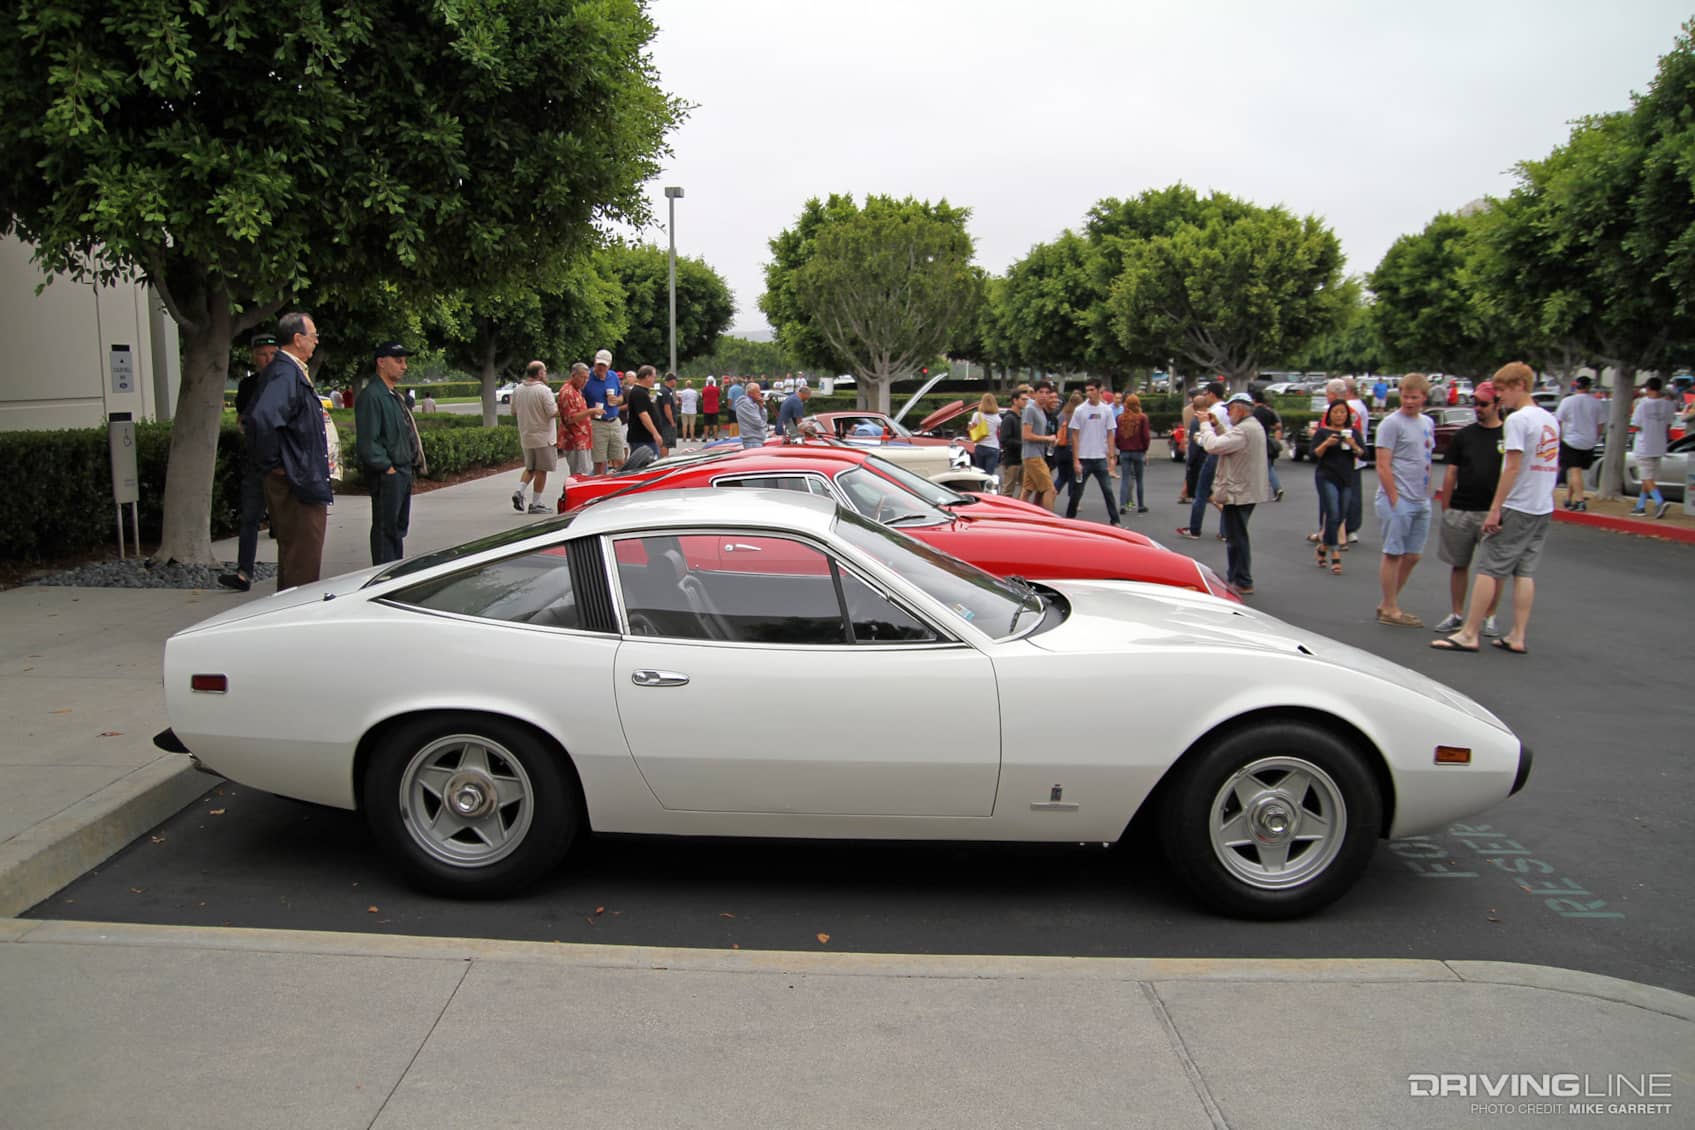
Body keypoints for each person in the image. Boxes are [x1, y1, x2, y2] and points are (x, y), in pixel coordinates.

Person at [1433, 362, 1561, 656]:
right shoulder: (1549, 419)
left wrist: (1495, 509)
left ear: (1519, 385)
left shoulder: (1518, 420)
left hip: (1518, 504)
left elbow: (1512, 466)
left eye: (1502, 390)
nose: (1499, 396)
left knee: (1489, 568)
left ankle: (1469, 633)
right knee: (1524, 571)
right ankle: (1517, 634)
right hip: (1541, 506)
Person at [247, 311, 330, 590]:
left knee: (298, 557)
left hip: (299, 477)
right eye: (313, 335)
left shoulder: (289, 371)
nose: (316, 341)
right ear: (297, 339)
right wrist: (279, 467)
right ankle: (297, 624)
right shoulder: (285, 372)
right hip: (297, 482)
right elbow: (262, 418)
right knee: (302, 561)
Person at [1430, 381, 1504, 636]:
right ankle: (1457, 613)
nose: (1478, 408)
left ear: (1497, 404)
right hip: (1462, 508)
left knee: (1494, 568)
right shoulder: (1464, 436)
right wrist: (1447, 506)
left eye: (1483, 404)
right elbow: (1451, 472)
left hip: (1492, 511)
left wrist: (1502, 509)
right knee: (1458, 563)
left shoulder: (1507, 436)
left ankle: (1490, 616)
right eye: (1475, 403)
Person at [218, 331, 281, 592]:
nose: (267, 359)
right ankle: (244, 572)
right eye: (262, 355)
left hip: (282, 463)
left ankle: (294, 577)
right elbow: (242, 421)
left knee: (287, 523)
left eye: (272, 355)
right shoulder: (247, 386)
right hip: (256, 461)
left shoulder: (286, 382)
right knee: (250, 518)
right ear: (254, 358)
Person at [354, 341, 426, 565]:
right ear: (381, 363)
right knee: (386, 530)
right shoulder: (372, 396)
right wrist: (388, 468)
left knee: (397, 529)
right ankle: (384, 576)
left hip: (402, 471)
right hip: (388, 474)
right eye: (398, 360)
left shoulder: (392, 395)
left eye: (404, 361)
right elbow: (369, 442)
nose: (403, 366)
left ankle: (394, 571)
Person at [1373, 372, 1435, 627]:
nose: (1409, 401)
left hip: (1421, 498)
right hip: (1398, 497)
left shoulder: (1427, 422)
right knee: (1393, 553)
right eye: (1406, 396)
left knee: (1413, 555)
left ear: (1423, 397)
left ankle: (1388, 602)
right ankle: (1390, 608)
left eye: (1415, 397)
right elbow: (1383, 465)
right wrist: (1394, 498)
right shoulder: (1391, 424)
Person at [1195, 393, 1270, 597]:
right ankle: (1238, 577)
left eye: (1230, 410)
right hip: (1245, 488)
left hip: (1239, 490)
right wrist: (1217, 426)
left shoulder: (1245, 429)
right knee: (1236, 535)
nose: (1228, 413)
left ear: (1239, 409)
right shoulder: (1250, 426)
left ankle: (1242, 579)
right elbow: (1228, 440)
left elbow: (1213, 446)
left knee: (1237, 537)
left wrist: (1205, 426)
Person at [1309, 400, 1363, 574]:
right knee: (1332, 513)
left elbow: (1364, 454)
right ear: (1329, 415)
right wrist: (1327, 444)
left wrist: (1353, 444)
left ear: (1347, 415)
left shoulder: (1353, 432)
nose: (1339, 415)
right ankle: (1336, 554)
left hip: (1346, 477)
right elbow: (1313, 454)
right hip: (1326, 476)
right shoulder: (1322, 432)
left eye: (1342, 412)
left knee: (1341, 515)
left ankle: (1323, 547)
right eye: (1335, 412)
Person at [1177, 381, 1229, 540]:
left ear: (1212, 394)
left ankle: (1194, 529)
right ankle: (1225, 531)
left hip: (1212, 453)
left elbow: (1206, 437)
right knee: (1221, 491)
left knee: (1201, 492)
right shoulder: (1227, 410)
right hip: (1226, 451)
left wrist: (1198, 441)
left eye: (1206, 393)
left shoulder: (1212, 412)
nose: (1205, 397)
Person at [510, 361, 560, 514]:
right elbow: (552, 412)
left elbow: (513, 411)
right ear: (539, 373)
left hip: (526, 435)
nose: (546, 373)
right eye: (544, 371)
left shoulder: (518, 390)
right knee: (542, 470)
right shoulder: (544, 391)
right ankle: (536, 503)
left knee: (530, 467)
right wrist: (562, 407)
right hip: (543, 437)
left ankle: (519, 491)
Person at [1065, 380, 1118, 522]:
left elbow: (1110, 433)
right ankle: (1069, 519)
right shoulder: (1080, 410)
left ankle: (1115, 521)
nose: (1089, 393)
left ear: (1099, 390)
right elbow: (1075, 435)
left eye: (1092, 390)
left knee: (1108, 490)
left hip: (1100, 457)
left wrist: (1111, 457)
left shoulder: (1106, 410)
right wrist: (1076, 460)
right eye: (1087, 390)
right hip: (1084, 457)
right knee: (1077, 492)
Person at [1554, 375, 1606, 511]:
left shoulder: (1568, 401)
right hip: (1588, 441)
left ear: (1575, 386)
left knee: (1574, 471)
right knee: (1576, 471)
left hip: (1571, 440)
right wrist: (1595, 437)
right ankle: (1569, 498)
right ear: (1589, 387)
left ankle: (1580, 500)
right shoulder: (1596, 402)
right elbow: (1600, 425)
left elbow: (1558, 420)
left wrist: (1558, 437)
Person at [1630, 376, 1678, 518]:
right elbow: (1668, 425)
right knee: (1649, 477)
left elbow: (1636, 426)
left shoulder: (1642, 405)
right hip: (1659, 444)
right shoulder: (1668, 405)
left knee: (1645, 477)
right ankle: (1641, 505)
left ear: (1648, 388)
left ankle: (1659, 501)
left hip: (1644, 444)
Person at [1021, 381, 1060, 510]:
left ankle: (1020, 517)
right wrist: (1047, 438)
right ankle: (1050, 522)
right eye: (1041, 392)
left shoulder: (1040, 409)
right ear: (1035, 393)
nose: (1044, 395)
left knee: (1027, 490)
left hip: (1037, 454)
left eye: (1047, 393)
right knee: (1050, 490)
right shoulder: (1030, 409)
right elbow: (1026, 435)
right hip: (1033, 456)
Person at [556, 361, 599, 478]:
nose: (585, 381)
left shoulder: (577, 390)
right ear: (573, 375)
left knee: (585, 473)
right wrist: (590, 411)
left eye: (587, 378)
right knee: (580, 476)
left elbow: (579, 413)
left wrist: (590, 414)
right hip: (575, 441)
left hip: (583, 439)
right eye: (582, 377)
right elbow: (570, 418)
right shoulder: (568, 392)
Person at [1344, 377, 1372, 545]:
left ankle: (1348, 527)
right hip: (1357, 456)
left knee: (1349, 494)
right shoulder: (1361, 406)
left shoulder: (1351, 408)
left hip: (1350, 456)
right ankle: (1351, 527)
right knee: (1354, 494)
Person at [1114, 392, 1151, 515]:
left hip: (1124, 451)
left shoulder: (1120, 418)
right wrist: (1145, 449)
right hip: (1138, 451)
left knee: (1125, 478)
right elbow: (1146, 436)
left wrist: (1120, 447)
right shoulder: (1142, 418)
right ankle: (1140, 505)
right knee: (1139, 479)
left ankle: (1123, 504)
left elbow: (1117, 436)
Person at [1250, 386, 1284, 502]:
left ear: (1254, 400)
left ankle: (1254, 490)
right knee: (1268, 467)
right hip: (1265, 441)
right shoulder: (1268, 412)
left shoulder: (1252, 413)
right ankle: (1277, 487)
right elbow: (1278, 426)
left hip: (1253, 442)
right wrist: (1270, 426)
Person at [1051, 390, 1084, 509]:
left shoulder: (1061, 414)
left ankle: (1051, 497)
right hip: (1071, 448)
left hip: (1060, 449)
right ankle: (1074, 503)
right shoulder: (1078, 415)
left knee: (1061, 476)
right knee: (1072, 477)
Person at [626, 365, 666, 458]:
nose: (654, 379)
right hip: (642, 438)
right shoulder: (638, 393)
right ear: (647, 376)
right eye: (654, 376)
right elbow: (643, 414)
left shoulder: (643, 392)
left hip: (646, 438)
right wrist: (655, 433)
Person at [998, 388, 1028, 497]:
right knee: (1008, 490)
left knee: (1025, 489)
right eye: (1023, 399)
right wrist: (1022, 444)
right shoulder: (1009, 418)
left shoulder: (1021, 417)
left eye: (1027, 400)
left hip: (1021, 459)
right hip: (1011, 460)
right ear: (1015, 401)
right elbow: (1004, 439)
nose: (1026, 402)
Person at [967, 392, 1001, 477]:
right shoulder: (997, 417)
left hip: (980, 446)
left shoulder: (976, 415)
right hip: (993, 447)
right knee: (989, 475)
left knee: (980, 474)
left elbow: (971, 429)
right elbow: (1000, 429)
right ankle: (988, 489)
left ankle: (980, 489)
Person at [736, 381, 768, 447]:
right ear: (750, 393)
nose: (760, 394)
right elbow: (758, 423)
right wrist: (764, 425)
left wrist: (761, 407)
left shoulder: (755, 403)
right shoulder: (745, 404)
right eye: (758, 392)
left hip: (757, 439)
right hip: (751, 441)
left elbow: (764, 420)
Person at [656, 372, 680, 450]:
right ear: (671, 381)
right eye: (676, 381)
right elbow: (667, 408)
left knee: (663, 443)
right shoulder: (666, 392)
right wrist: (672, 422)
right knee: (665, 444)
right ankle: (664, 460)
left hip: (661, 421)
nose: (676, 382)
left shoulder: (662, 390)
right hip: (666, 423)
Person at [701, 376, 720, 441]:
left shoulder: (704, 389)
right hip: (715, 408)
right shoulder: (716, 389)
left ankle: (705, 437)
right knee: (715, 423)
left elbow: (702, 397)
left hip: (706, 409)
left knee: (706, 424)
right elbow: (718, 395)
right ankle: (716, 437)